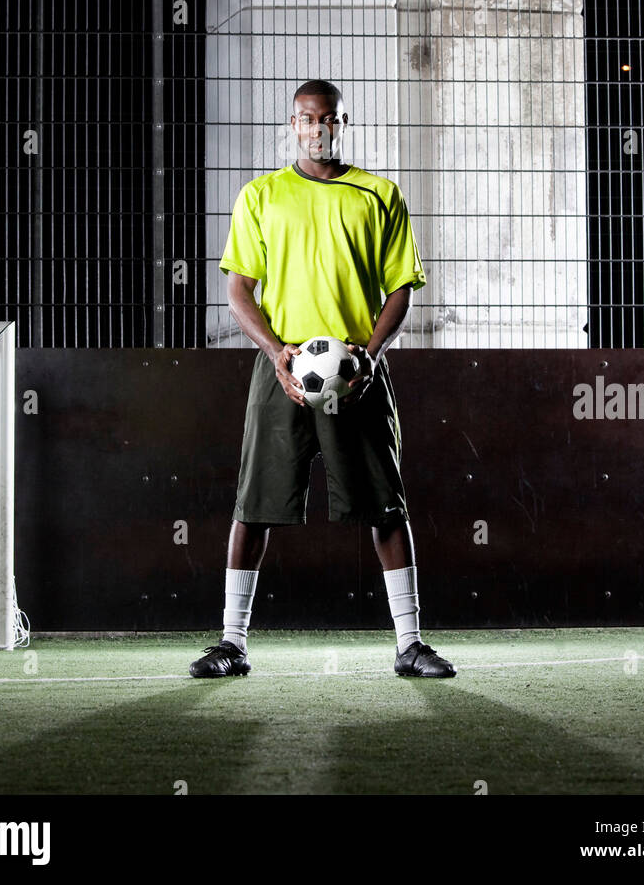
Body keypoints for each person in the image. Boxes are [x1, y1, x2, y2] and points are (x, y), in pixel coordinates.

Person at [189, 79, 456, 679]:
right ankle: (232, 643)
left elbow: (401, 288)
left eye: (328, 119)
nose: (318, 128)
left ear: (341, 123)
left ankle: (410, 645)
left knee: (387, 506)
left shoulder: (378, 194)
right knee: (253, 506)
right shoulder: (262, 195)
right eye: (308, 119)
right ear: (293, 124)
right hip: (282, 372)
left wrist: (368, 354)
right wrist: (278, 352)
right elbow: (237, 290)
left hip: (357, 374)